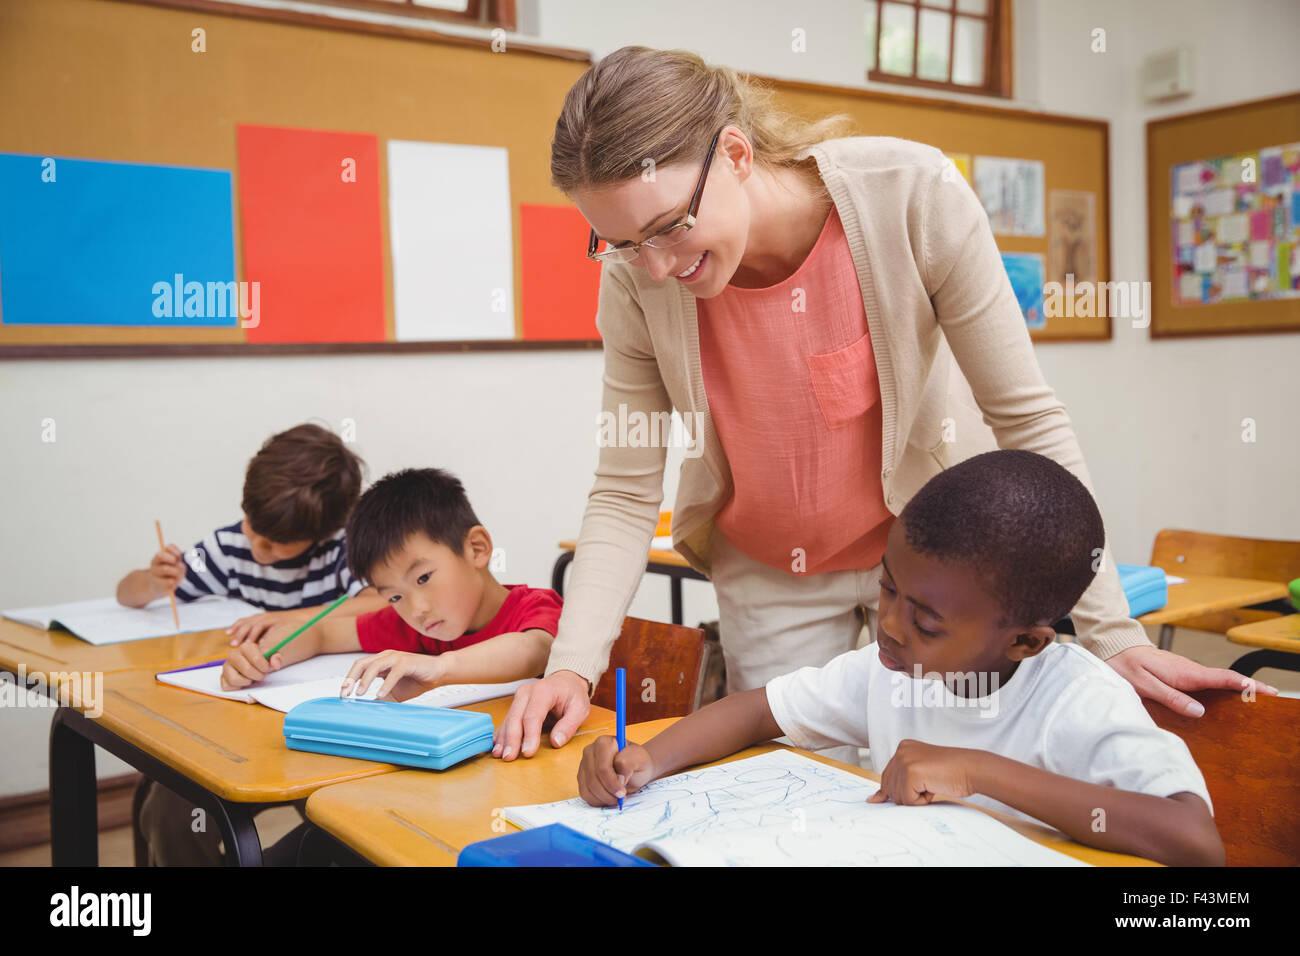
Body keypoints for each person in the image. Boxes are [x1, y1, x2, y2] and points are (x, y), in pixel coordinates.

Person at [494, 45, 1274, 763]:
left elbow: (1027, 422)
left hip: (938, 572)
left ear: (734, 153)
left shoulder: (911, 195)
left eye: (668, 228)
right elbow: (626, 490)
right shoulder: (636, 279)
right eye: (621, 242)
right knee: (802, 797)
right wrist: (572, 667)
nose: (655, 267)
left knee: (958, 782)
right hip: (772, 573)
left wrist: (1111, 636)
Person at [577, 451, 1225, 868]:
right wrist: (647, 760)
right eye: (888, 588)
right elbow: (755, 711)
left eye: (925, 620)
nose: (888, 626)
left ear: (1025, 641)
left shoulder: (1078, 699)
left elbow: (1195, 842)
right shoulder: (886, 671)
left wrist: (977, 771)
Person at [126, 422, 387, 866]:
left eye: (277, 544)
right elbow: (126, 593)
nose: (258, 546)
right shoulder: (230, 546)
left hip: (324, 728)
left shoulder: (344, 550)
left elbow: (381, 601)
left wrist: (292, 618)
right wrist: (152, 581)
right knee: (171, 812)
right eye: (253, 527)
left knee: (342, 824)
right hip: (235, 728)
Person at [221, 467, 562, 702]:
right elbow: (321, 635)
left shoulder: (535, 607)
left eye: (424, 578)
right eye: (395, 596)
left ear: (477, 549)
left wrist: (440, 668)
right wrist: (263, 658)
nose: (416, 608)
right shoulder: (420, 629)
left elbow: (534, 651)